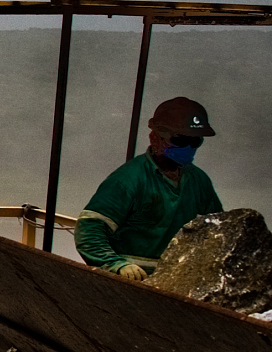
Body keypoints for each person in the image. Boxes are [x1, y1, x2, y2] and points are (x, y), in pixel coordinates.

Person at [76, 97, 223, 280]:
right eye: (180, 140)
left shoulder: (199, 181)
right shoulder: (128, 179)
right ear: (155, 137)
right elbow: (89, 231)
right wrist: (116, 265)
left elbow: (219, 231)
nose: (188, 148)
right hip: (132, 283)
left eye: (195, 142)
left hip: (177, 282)